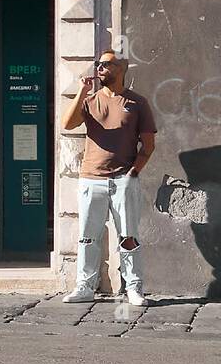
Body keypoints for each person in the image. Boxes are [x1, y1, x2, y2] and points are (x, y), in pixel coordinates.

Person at [60, 49, 157, 305]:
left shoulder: (137, 103)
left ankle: (134, 287)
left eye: (106, 64)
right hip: (91, 178)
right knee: (88, 237)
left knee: (128, 236)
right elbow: (67, 124)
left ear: (121, 68)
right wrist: (82, 91)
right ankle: (84, 286)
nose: (100, 68)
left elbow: (148, 145)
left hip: (123, 179)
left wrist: (133, 174)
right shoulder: (90, 100)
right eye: (98, 64)